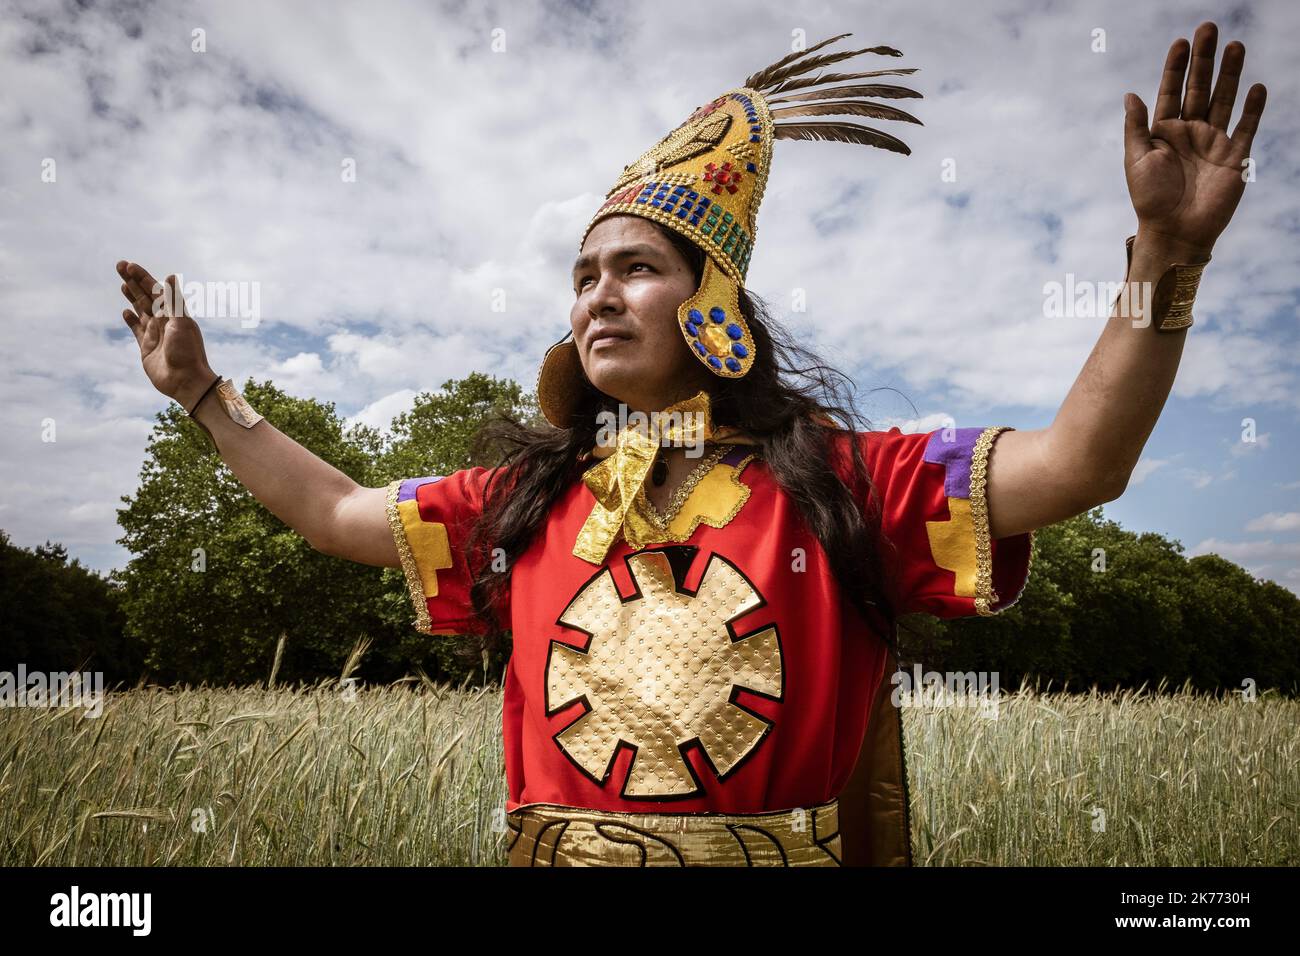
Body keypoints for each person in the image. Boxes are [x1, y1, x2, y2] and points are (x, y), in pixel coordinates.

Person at [116, 24, 1265, 866]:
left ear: (712, 303)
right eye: (580, 276)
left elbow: (1079, 465)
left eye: (633, 268)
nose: (595, 296)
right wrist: (206, 392)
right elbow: (334, 513)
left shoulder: (851, 480)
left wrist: (1164, 256)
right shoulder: (523, 497)